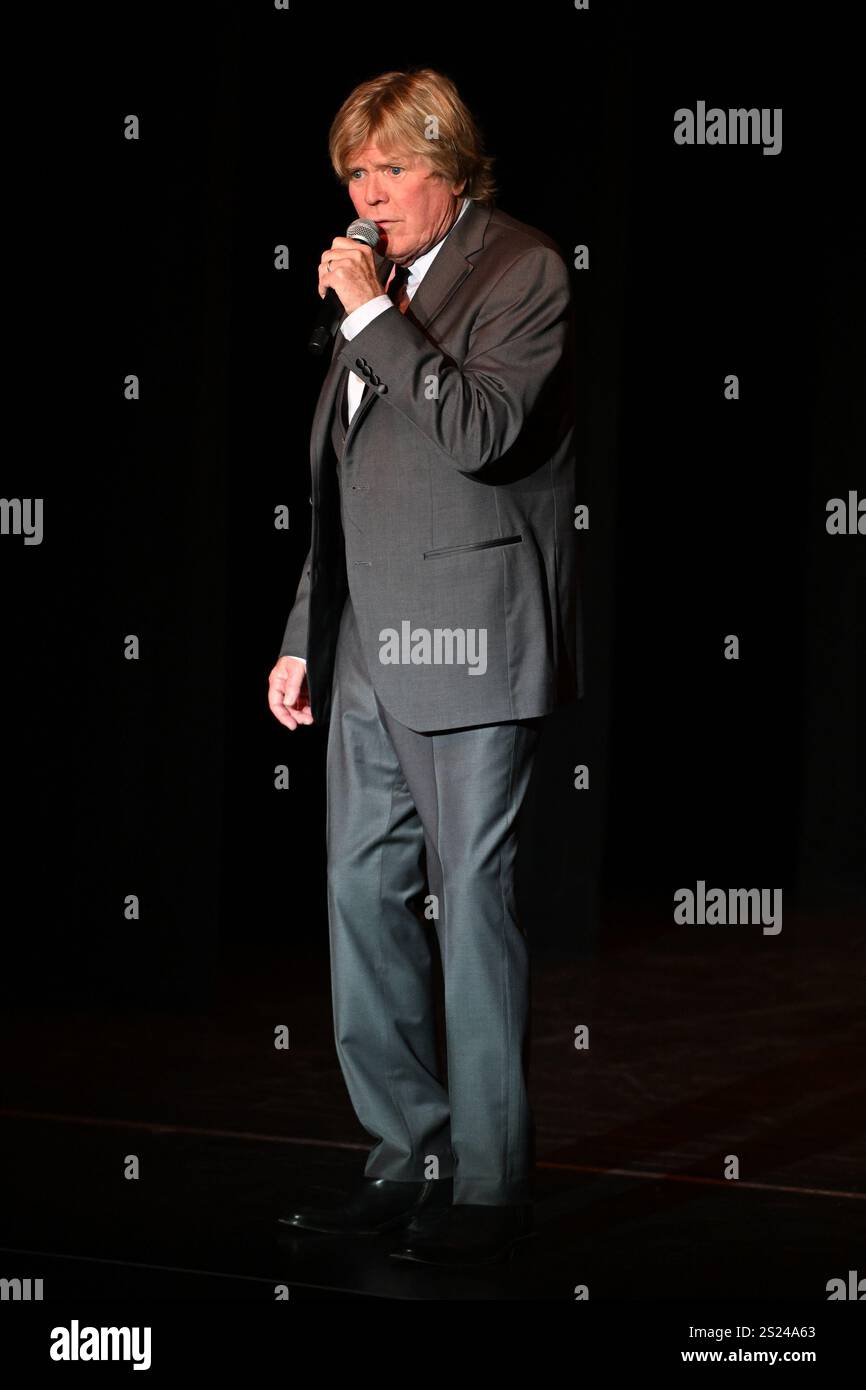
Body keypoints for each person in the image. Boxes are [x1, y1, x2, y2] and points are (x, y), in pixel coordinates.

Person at [268, 67, 583, 1266]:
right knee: (359, 904)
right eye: (353, 171)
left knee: (471, 911)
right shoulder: (381, 290)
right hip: (363, 651)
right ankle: (409, 1156)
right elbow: (349, 484)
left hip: (469, 640)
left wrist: (368, 317)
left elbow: (478, 435)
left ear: (449, 167)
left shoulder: (522, 272)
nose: (367, 193)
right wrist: (307, 631)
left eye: (389, 168)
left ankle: (493, 1185)